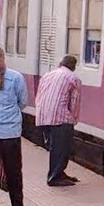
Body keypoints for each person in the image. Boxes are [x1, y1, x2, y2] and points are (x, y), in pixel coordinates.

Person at [0, 43, 29, 206]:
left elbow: (23, 102)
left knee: (13, 171)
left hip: (9, 132)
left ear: (0, 58)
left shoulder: (15, 78)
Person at [34, 54, 82, 187]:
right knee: (61, 149)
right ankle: (54, 177)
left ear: (60, 64)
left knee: (54, 148)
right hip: (60, 117)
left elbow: (39, 95)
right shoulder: (73, 78)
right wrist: (73, 119)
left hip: (43, 116)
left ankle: (59, 173)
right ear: (73, 67)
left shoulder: (47, 75)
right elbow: (74, 102)